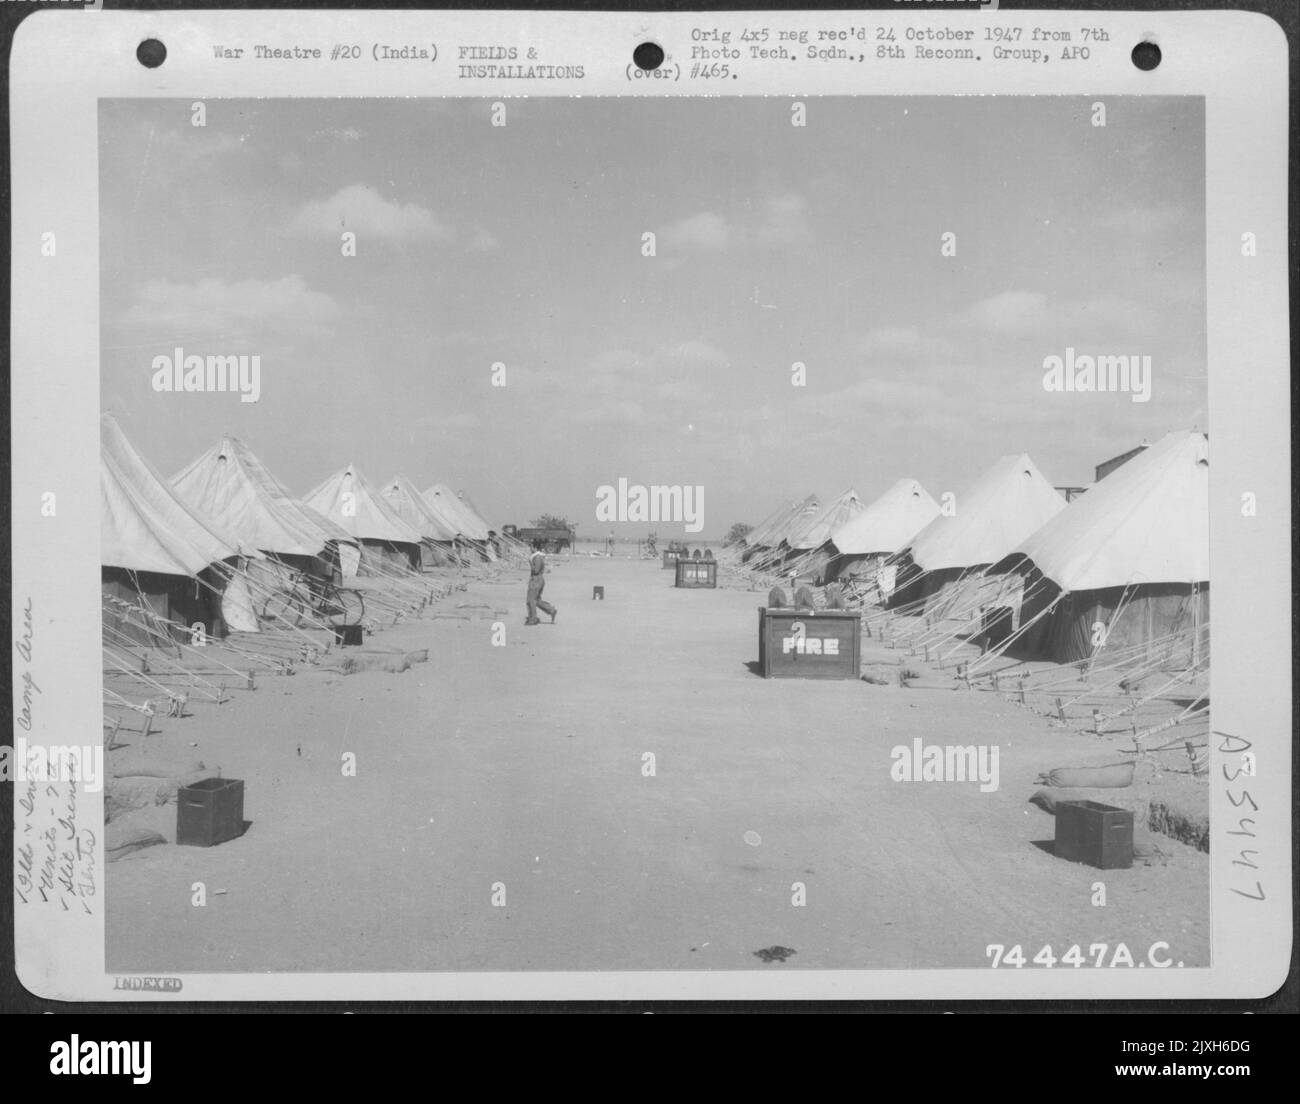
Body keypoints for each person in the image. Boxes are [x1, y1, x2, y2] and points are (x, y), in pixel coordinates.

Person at [525, 541, 557, 625]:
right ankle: (551, 610)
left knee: (530, 600)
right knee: (537, 600)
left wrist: (530, 563)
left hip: (536, 580)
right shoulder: (537, 556)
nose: (530, 549)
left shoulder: (537, 557)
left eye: (531, 547)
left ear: (535, 547)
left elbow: (536, 570)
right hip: (538, 580)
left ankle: (533, 619)